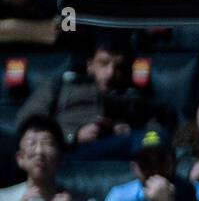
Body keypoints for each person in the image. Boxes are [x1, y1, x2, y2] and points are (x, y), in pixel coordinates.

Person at [16, 34, 153, 157]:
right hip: (66, 152)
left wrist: (126, 128)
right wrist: (74, 136)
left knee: (152, 138)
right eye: (104, 63)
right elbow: (28, 120)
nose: (110, 73)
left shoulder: (130, 96)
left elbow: (149, 124)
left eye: (118, 67)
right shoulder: (62, 85)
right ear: (90, 65)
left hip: (116, 148)